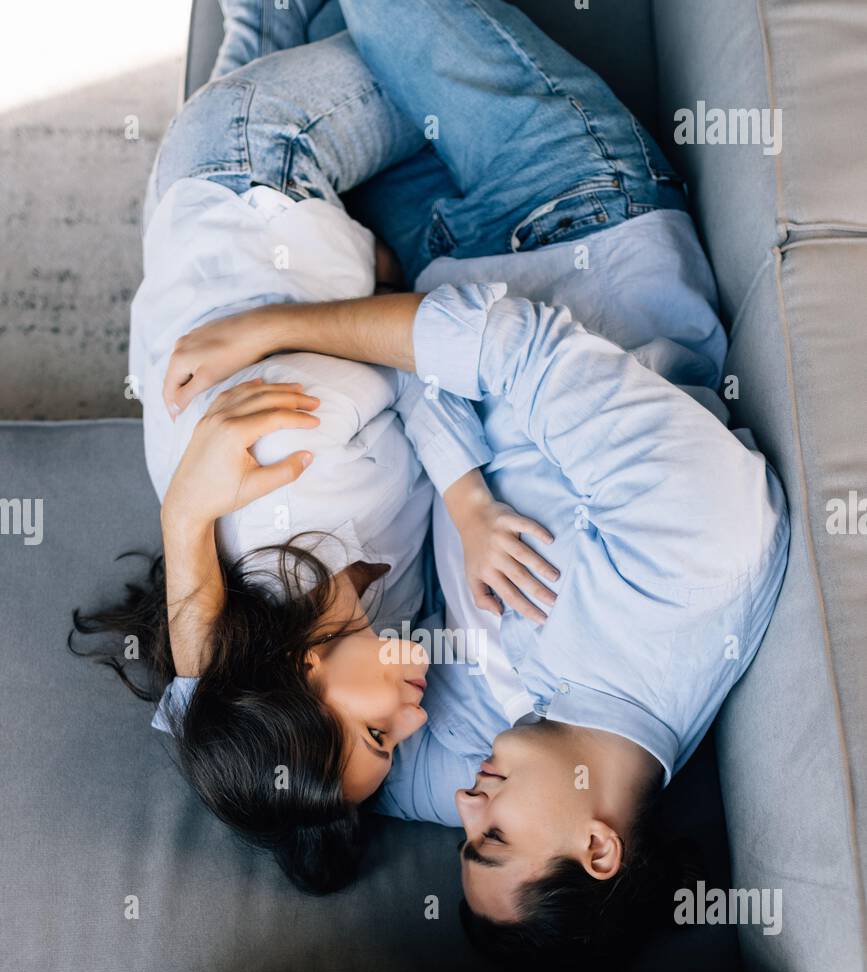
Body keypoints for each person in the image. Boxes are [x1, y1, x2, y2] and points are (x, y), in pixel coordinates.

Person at [156, 0, 790, 972]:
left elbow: (243, 719)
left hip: (421, 267)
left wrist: (187, 518)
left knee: (289, 94)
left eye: (462, 837)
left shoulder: (488, 750)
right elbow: (507, 343)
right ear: (598, 845)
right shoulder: (694, 569)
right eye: (490, 838)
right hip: (565, 201)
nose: (460, 805)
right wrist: (277, 331)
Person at [72, 0, 555, 892]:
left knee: (466, 76)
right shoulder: (370, 618)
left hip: (256, 164)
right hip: (204, 243)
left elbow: (420, 355)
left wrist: (466, 499)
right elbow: (199, 699)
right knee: (276, 26)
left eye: (379, 734)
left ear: (301, 669)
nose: (413, 728)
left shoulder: (284, 484)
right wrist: (182, 524)